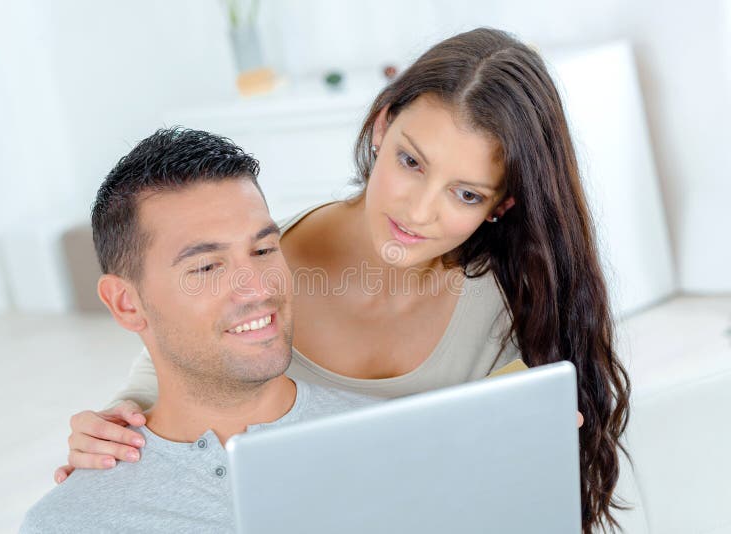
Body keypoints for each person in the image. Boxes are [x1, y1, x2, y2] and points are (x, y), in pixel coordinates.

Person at [57, 28, 630, 532]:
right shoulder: (254, 271)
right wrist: (109, 430)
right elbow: (166, 378)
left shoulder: (506, 306)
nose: (419, 212)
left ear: (499, 205)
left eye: (466, 194)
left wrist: (532, 458)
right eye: (412, 162)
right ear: (382, 125)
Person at [21, 129, 374, 533]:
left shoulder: (390, 442)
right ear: (126, 303)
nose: (258, 288)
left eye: (262, 251)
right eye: (206, 266)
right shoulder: (71, 522)